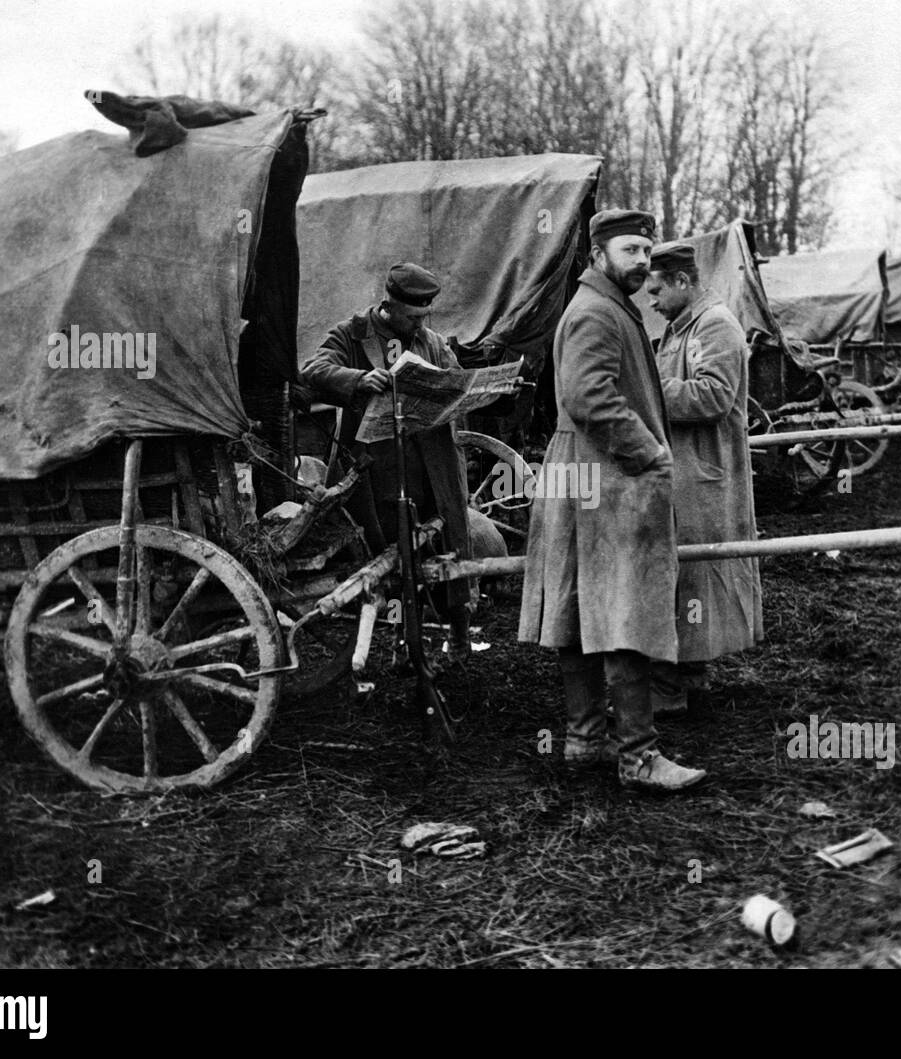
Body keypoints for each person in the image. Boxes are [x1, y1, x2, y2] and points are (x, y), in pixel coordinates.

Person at [518, 209, 707, 792]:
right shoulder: (597, 312)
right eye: (631, 250)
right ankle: (639, 757)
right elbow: (587, 396)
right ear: (598, 254)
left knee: (581, 609)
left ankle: (584, 741)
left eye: (647, 252)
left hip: (582, 474)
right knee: (626, 611)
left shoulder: (603, 306)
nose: (643, 262)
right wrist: (647, 453)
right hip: (605, 476)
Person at [300, 263, 507, 656]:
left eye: (424, 316)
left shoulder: (430, 341)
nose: (419, 324)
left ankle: (459, 638)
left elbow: (456, 379)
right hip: (376, 470)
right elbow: (314, 369)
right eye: (412, 316)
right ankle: (401, 643)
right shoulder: (353, 333)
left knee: (449, 543)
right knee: (388, 556)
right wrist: (357, 380)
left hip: (430, 468)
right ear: (388, 306)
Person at [645, 241, 764, 715]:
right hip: (687, 469)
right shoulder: (681, 326)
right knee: (686, 574)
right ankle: (688, 676)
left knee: (691, 571)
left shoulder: (715, 326)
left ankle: (673, 688)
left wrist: (646, 387)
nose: (650, 300)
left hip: (704, 471)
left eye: (657, 290)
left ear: (681, 282)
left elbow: (713, 397)